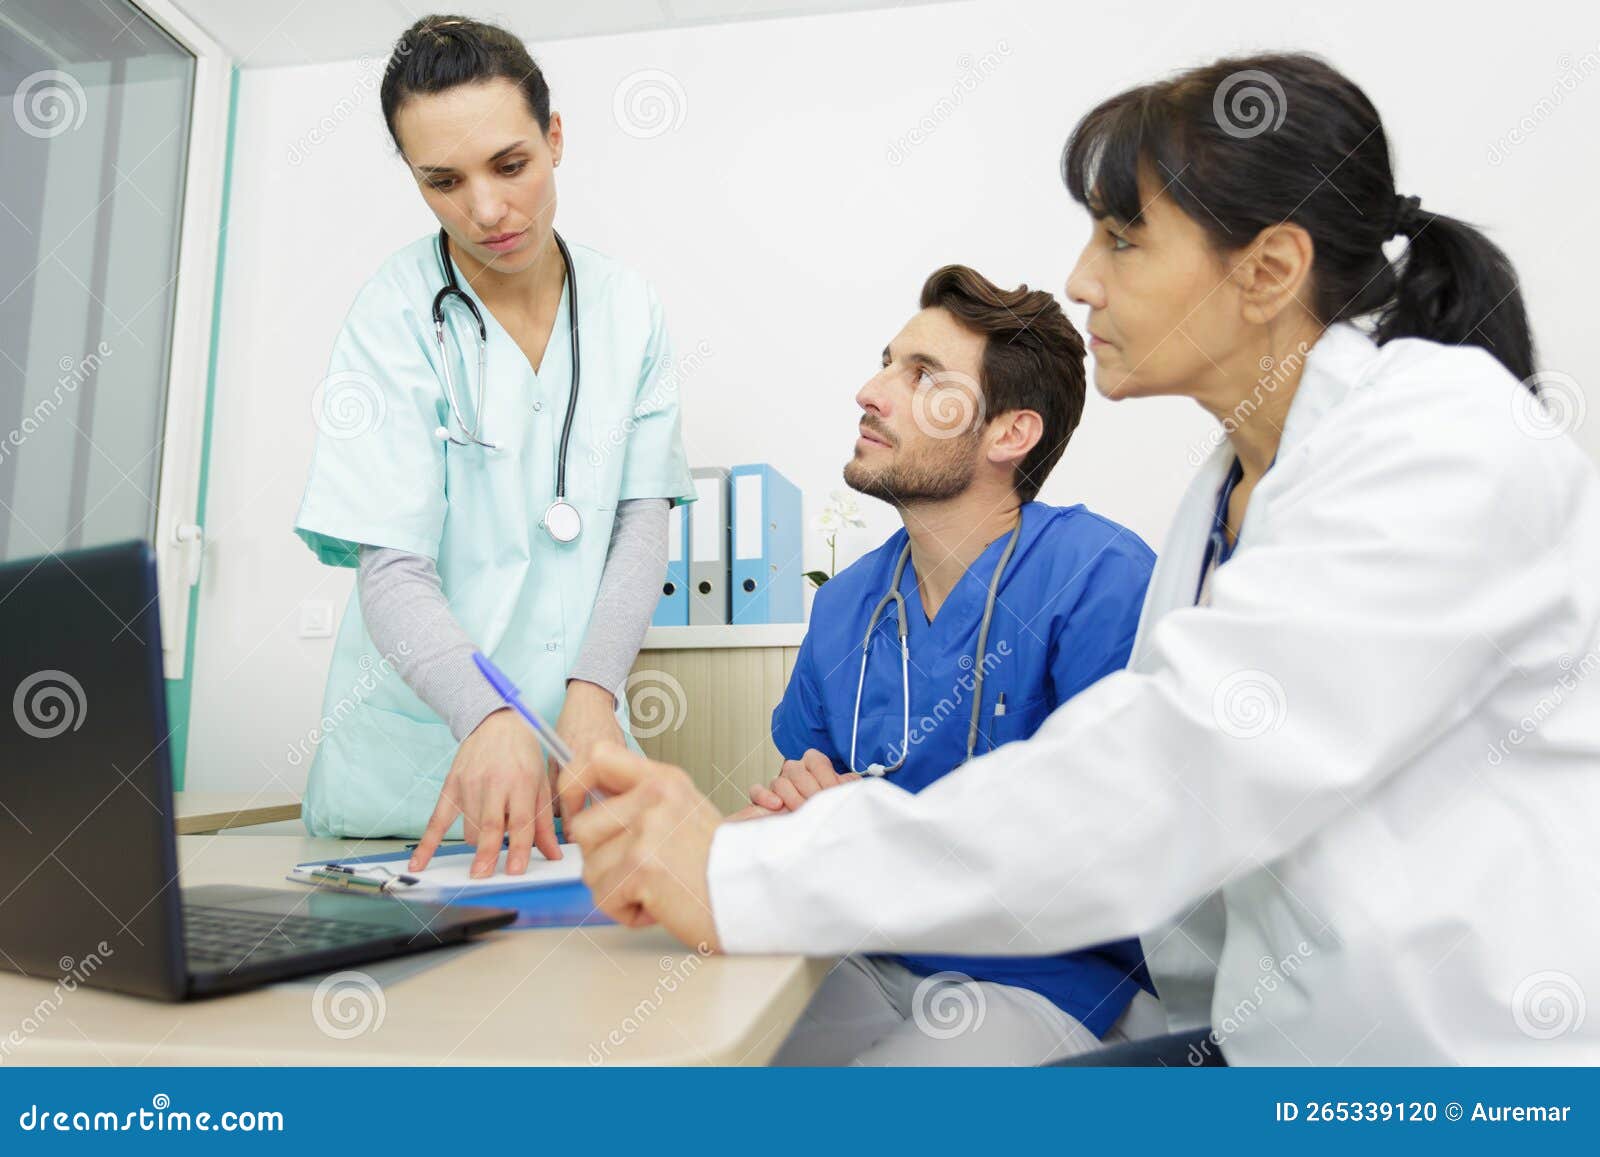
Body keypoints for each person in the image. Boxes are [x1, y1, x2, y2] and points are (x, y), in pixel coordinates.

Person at [559, 52, 1600, 1064]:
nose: (1081, 280)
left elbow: (1158, 781)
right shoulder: (1223, 497)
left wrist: (739, 871)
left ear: (1268, 270)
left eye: (1123, 239)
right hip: (1272, 1047)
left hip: (1462, 1075)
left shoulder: (1440, 443)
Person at [292, 16, 693, 880]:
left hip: (574, 756)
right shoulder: (394, 314)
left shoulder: (630, 308)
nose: (484, 209)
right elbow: (391, 564)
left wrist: (594, 692)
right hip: (414, 774)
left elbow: (641, 521)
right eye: (443, 181)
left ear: (555, 138)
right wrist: (481, 712)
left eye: (510, 165)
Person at [732, 264, 1160, 1065]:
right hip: (865, 949)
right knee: (713, 1055)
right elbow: (801, 809)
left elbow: (1122, 841)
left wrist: (864, 824)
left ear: (1009, 434)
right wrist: (792, 811)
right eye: (886, 363)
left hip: (1046, 980)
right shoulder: (846, 605)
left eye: (923, 375)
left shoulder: (1098, 578)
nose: (870, 391)